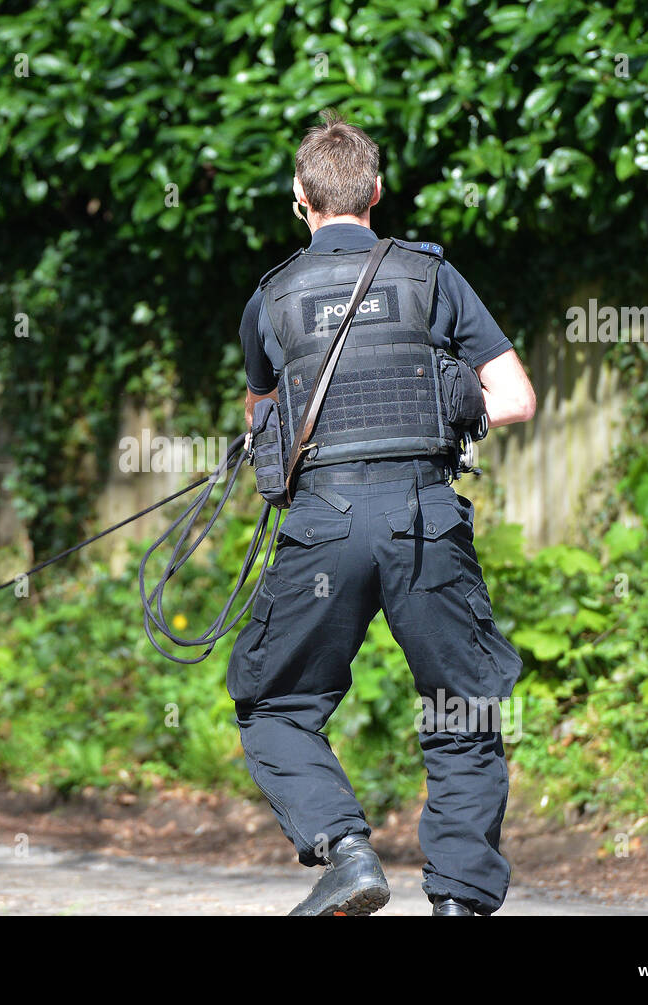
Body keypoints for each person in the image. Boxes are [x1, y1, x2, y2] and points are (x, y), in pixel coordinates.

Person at [229, 110, 537, 916]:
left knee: (275, 707)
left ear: (301, 196)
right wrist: (446, 398)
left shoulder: (268, 302)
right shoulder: (435, 279)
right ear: (376, 191)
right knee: (460, 706)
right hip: (426, 524)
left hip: (323, 528)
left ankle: (348, 850)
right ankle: (460, 904)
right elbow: (516, 399)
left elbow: (260, 422)